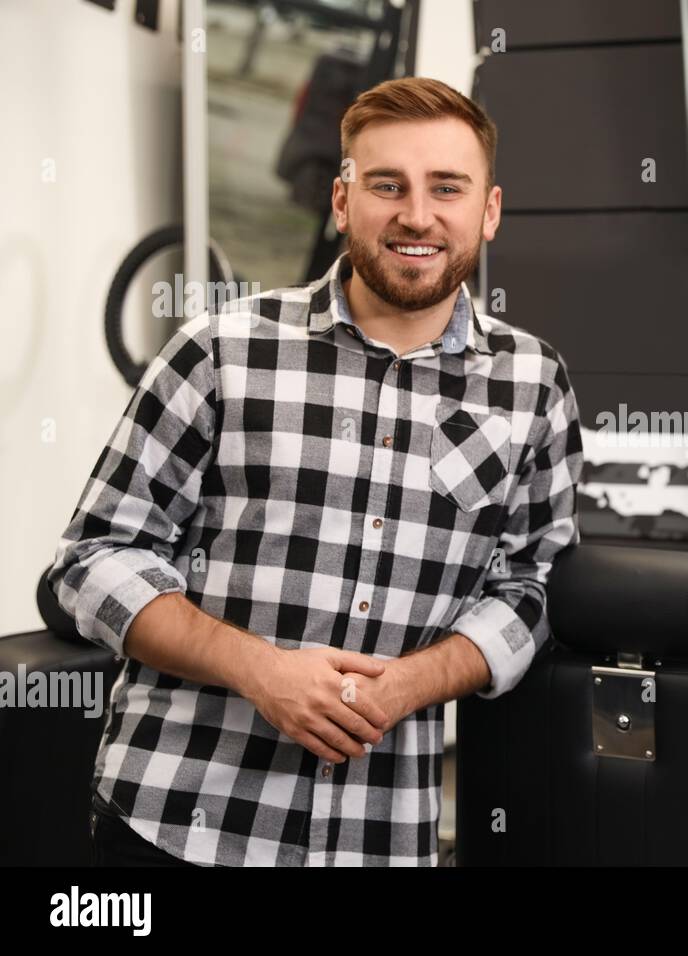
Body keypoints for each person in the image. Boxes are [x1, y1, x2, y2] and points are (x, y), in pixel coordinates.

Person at [48, 77, 584, 866]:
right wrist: (260, 669)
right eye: (386, 185)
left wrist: (409, 684)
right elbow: (93, 557)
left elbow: (531, 591)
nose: (417, 214)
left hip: (379, 836)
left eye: (447, 188)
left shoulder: (533, 383)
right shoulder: (221, 350)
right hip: (172, 818)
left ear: (489, 210)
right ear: (341, 201)